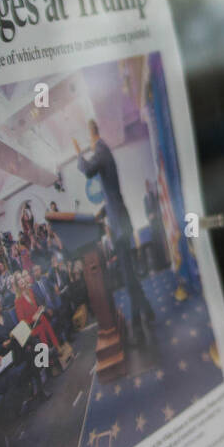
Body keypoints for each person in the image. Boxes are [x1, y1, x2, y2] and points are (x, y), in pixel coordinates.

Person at [74, 119, 156, 343]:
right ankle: (146, 312)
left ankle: (138, 323)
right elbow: (111, 194)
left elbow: (88, 170)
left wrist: (78, 154)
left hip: (120, 225)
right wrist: (101, 213)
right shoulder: (103, 150)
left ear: (91, 135)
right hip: (119, 219)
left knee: (128, 276)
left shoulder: (100, 149)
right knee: (129, 274)